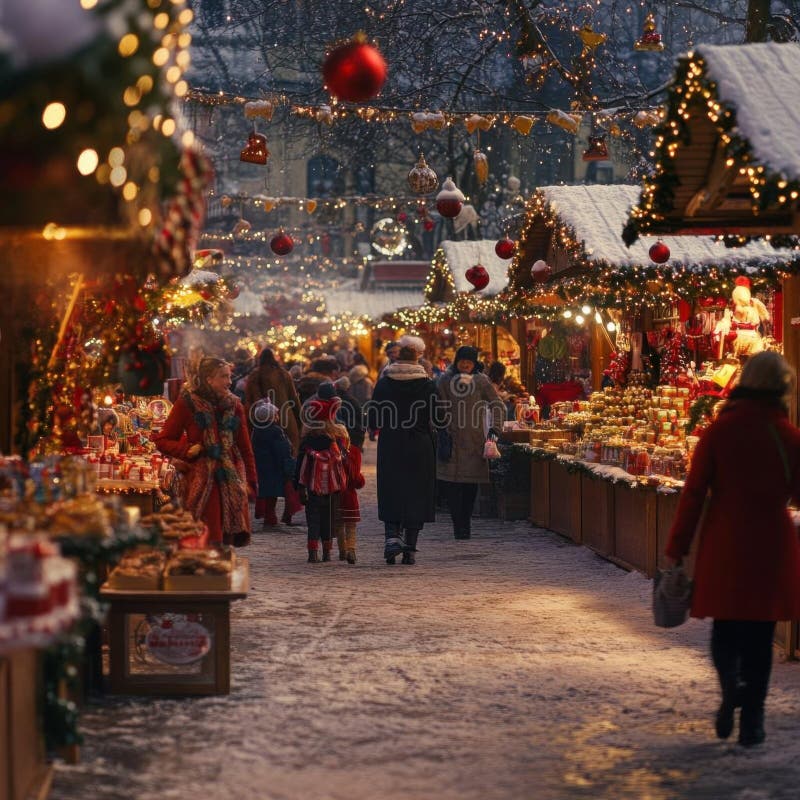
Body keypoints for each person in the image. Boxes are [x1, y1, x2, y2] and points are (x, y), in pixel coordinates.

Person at [665, 351, 800, 747]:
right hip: (771, 543)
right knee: (759, 634)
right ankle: (753, 718)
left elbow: (693, 494)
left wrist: (677, 546)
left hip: (725, 540)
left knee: (725, 627)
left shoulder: (719, 430)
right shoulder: (788, 435)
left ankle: (729, 694)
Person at [155, 357, 257, 547]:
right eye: (224, 377)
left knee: (226, 541)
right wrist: (187, 450)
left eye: (229, 376)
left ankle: (220, 571)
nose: (229, 382)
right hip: (201, 481)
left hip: (230, 478)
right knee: (207, 537)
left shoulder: (235, 405)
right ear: (209, 379)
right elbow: (162, 440)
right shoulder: (187, 403)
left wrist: (251, 481)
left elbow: (245, 448)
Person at [368, 344, 437, 564]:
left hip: (391, 443)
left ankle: (391, 538)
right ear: (417, 359)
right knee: (416, 492)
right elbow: (440, 416)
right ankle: (410, 549)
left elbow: (374, 416)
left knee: (391, 489)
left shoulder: (384, 384)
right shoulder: (427, 385)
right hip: (419, 444)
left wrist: (375, 428)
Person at [436, 345, 505, 539]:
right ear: (456, 361)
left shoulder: (481, 381)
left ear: (474, 363)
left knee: (469, 487)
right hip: (450, 439)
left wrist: (495, 429)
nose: (465, 364)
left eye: (469, 361)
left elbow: (497, 404)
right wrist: (439, 425)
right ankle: (458, 525)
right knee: (451, 488)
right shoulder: (445, 379)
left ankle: (465, 524)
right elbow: (436, 404)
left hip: (474, 441)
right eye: (462, 360)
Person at [295, 394, 349, 563]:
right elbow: (342, 463)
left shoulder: (306, 443)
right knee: (328, 521)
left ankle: (312, 553)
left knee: (313, 521)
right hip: (332, 489)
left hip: (312, 488)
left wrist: (298, 486)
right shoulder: (333, 442)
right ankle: (326, 553)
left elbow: (299, 466)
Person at [250, 400, 297, 528]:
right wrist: (288, 461)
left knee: (265, 492)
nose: (277, 416)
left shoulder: (256, 430)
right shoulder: (275, 431)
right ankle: (270, 518)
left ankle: (267, 515)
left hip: (261, 466)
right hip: (274, 466)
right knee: (272, 495)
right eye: (276, 414)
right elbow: (282, 449)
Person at [335, 435, 365, 564]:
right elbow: (357, 480)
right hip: (350, 496)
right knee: (351, 526)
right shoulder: (354, 452)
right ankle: (351, 550)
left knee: (339, 526)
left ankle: (342, 551)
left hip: (336, 495)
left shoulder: (332, 451)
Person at [333, 376, 365, 449]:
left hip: (338, 435)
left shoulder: (333, 400)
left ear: (337, 386)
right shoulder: (353, 401)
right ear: (348, 387)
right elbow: (361, 417)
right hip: (352, 434)